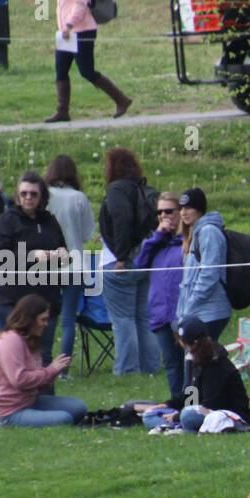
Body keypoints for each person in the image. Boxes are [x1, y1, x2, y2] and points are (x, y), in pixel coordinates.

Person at [0, 172, 70, 366]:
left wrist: (63, 256)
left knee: (43, 357)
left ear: (42, 196)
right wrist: (31, 256)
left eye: (33, 194)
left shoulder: (50, 221)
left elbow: (62, 250)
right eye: (24, 193)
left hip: (46, 300)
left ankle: (45, 395)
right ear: (17, 195)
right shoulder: (6, 221)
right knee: (14, 358)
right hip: (13, 302)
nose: (28, 198)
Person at [98, 147, 159, 374]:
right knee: (143, 317)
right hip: (144, 261)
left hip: (120, 263)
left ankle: (127, 369)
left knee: (123, 320)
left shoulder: (116, 189)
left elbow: (122, 219)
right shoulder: (141, 189)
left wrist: (121, 257)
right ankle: (150, 367)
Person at [0, 294, 86, 427]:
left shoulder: (31, 340)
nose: (46, 324)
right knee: (65, 419)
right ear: (30, 319)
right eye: (43, 320)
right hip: (7, 412)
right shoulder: (10, 340)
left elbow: (36, 383)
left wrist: (53, 373)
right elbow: (20, 380)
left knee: (79, 408)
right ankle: (3, 423)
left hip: (29, 402)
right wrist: (51, 370)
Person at [136, 317, 250, 433]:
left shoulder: (216, 363)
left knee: (187, 416)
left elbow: (212, 404)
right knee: (149, 415)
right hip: (200, 411)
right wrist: (167, 405)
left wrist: (177, 416)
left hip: (227, 415)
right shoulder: (194, 360)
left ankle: (182, 427)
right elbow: (191, 395)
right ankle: (183, 428)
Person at [45, 0, 132, 122]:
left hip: (82, 31)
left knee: (87, 71)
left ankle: (121, 100)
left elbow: (80, 5)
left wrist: (69, 25)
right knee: (61, 69)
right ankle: (62, 111)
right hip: (66, 33)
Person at [43, 155, 97, 373]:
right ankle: (63, 370)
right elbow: (86, 234)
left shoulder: (44, 196)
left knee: (47, 318)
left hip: (48, 264)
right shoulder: (79, 198)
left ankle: (46, 365)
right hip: (74, 265)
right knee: (68, 321)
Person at [135, 192, 186, 400]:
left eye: (169, 211)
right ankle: (177, 405)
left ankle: (192, 405)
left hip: (181, 313)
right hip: (160, 313)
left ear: (180, 213)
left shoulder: (188, 242)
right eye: (159, 212)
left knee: (189, 365)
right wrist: (156, 236)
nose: (164, 216)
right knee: (172, 365)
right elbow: (138, 265)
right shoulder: (157, 243)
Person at [175, 188, 232, 340]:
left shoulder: (208, 232)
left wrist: (189, 306)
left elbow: (209, 275)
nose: (183, 213)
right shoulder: (194, 234)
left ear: (200, 210)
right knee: (196, 361)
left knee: (198, 360)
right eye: (181, 208)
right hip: (198, 312)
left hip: (209, 312)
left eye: (189, 208)